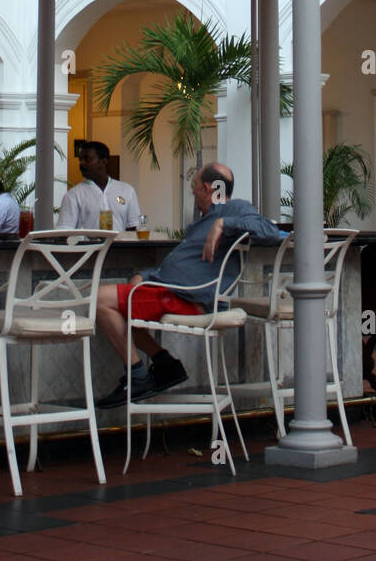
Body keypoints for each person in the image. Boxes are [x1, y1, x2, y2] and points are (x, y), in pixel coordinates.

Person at [93, 162, 283, 408]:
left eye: (194, 188)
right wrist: (146, 275)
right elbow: (183, 264)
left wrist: (224, 224)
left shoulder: (234, 209)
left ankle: (139, 375)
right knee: (122, 304)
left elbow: (269, 231)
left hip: (190, 299)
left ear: (206, 188)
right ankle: (164, 365)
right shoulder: (202, 221)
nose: (193, 194)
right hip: (170, 291)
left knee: (100, 300)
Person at [58, 141, 142, 232]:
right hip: (90, 246)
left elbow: (133, 227)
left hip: (119, 245)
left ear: (103, 162)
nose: (81, 163)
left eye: (87, 159)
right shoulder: (73, 195)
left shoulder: (126, 191)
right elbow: (65, 231)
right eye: (80, 159)